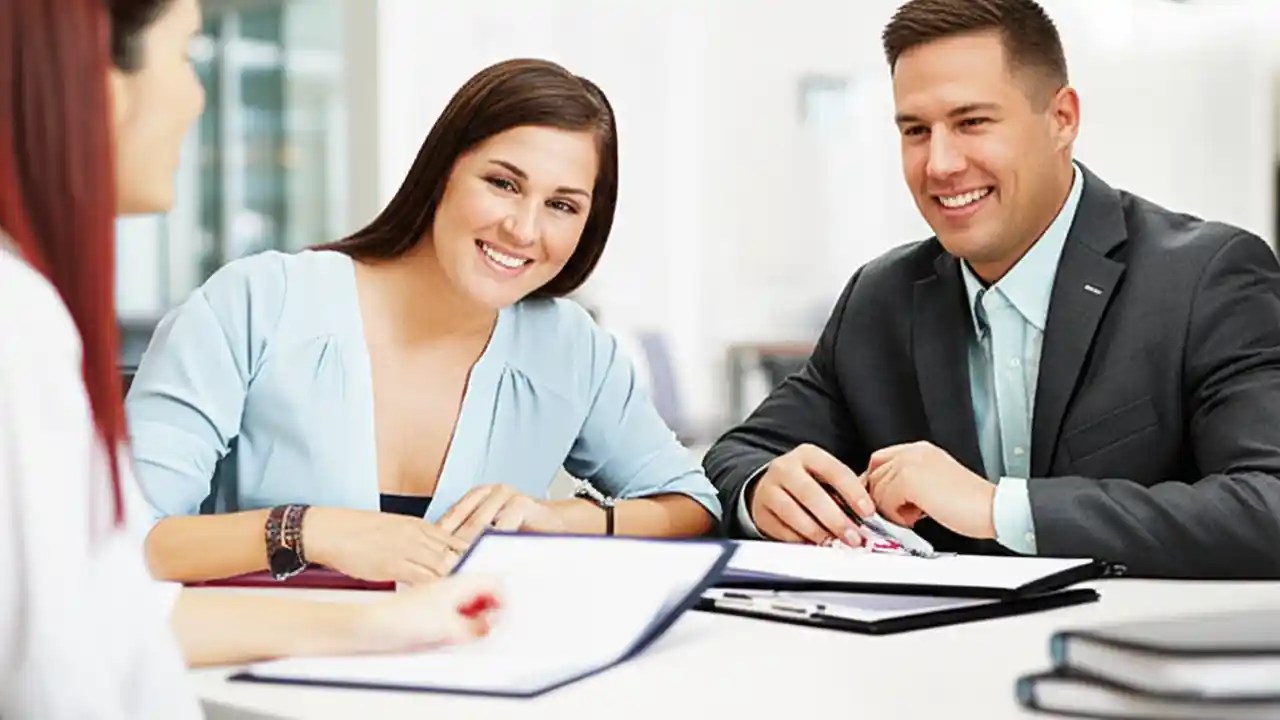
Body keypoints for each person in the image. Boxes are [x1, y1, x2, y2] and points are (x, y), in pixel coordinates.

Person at [0, 1, 499, 716]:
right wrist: (306, 532)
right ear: (104, 89)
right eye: (184, 57)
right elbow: (58, 673)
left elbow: (107, 609)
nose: (198, 96)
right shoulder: (19, 329)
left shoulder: (26, 313)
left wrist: (393, 620)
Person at [703, 0, 1280, 579]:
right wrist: (762, 491)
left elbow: (1269, 505)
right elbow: (730, 461)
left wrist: (998, 509)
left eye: (972, 122)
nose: (940, 164)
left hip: (1125, 656)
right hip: (925, 656)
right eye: (915, 131)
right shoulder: (879, 300)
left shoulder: (1205, 278)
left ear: (1062, 119)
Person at [126, 57, 720, 586]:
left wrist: (560, 519)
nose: (524, 230)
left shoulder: (572, 348)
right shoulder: (257, 301)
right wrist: (307, 530)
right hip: (251, 680)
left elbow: (692, 504)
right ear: (442, 174)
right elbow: (128, 540)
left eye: (562, 205)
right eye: (503, 184)